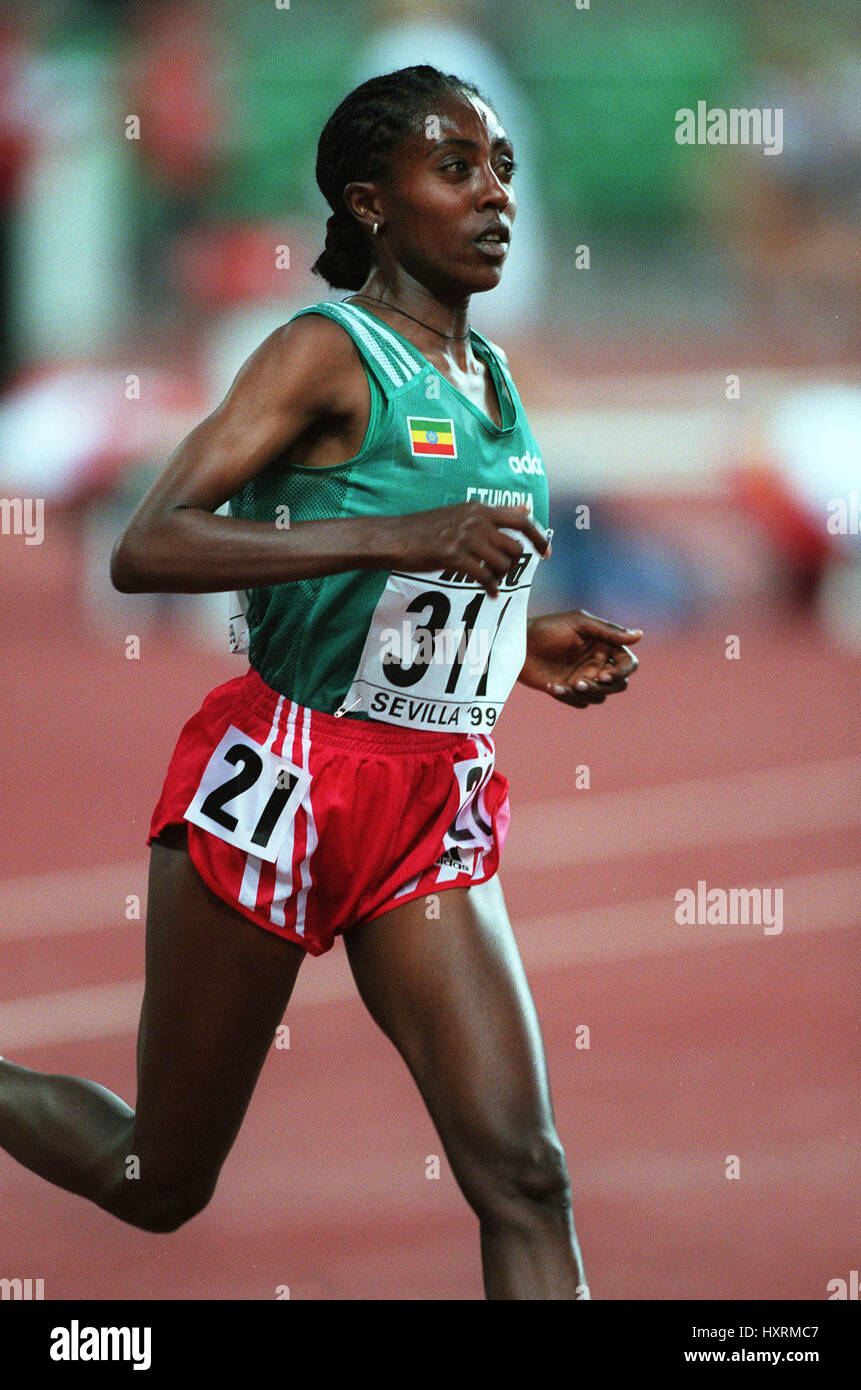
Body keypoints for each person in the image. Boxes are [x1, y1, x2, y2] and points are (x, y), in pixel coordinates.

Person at [0, 65, 641, 1300]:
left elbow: (425, 595)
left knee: (523, 1172)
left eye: (501, 166)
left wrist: (512, 645)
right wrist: (392, 538)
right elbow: (148, 544)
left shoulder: (495, 381)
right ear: (370, 205)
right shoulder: (322, 354)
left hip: (429, 805)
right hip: (283, 783)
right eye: (454, 170)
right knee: (158, 1181)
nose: (494, 194)